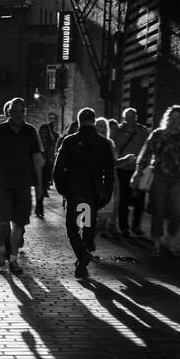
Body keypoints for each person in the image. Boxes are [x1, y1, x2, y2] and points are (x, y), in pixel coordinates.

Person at [0, 97, 43, 275]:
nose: (18, 115)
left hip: (23, 184)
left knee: (19, 223)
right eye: (15, 112)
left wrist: (39, 185)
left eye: (21, 111)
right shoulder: (0, 130)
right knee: (3, 220)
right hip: (3, 182)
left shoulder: (30, 131)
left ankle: (14, 259)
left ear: (24, 112)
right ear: (9, 113)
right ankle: (2, 247)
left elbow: (37, 159)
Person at [53, 107, 114, 277]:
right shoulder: (103, 143)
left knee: (73, 228)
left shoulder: (70, 141)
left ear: (79, 121)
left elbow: (58, 169)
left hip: (75, 192)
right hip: (92, 194)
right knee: (86, 227)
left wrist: (63, 190)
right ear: (93, 121)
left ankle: (82, 256)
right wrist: (106, 194)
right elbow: (109, 173)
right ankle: (82, 260)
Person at [132, 104, 180, 256]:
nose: (175, 121)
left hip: (178, 178)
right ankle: (157, 243)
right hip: (159, 176)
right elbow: (146, 153)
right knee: (157, 210)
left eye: (178, 118)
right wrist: (137, 173)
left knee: (177, 212)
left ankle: (171, 240)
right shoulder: (158, 134)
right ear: (168, 118)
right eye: (172, 117)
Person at [113, 107, 150, 236]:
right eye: (128, 117)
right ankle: (124, 227)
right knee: (123, 199)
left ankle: (136, 226)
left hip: (138, 169)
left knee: (139, 199)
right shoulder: (118, 130)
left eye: (133, 117)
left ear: (136, 117)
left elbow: (148, 147)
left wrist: (144, 162)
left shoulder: (142, 130)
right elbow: (113, 146)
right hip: (123, 169)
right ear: (124, 118)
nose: (131, 119)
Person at [95, 117, 119, 237]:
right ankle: (87, 245)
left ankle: (94, 234)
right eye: (100, 125)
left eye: (104, 126)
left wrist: (124, 160)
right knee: (92, 215)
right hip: (94, 182)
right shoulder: (91, 142)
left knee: (104, 214)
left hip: (107, 182)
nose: (103, 128)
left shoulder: (110, 143)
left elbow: (114, 162)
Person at [38, 112, 60, 204]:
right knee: (40, 182)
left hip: (47, 162)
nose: (44, 133)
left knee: (45, 180)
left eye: (45, 132)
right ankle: (40, 203)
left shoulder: (50, 140)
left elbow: (52, 149)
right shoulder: (37, 140)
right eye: (43, 132)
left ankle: (42, 196)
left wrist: (51, 158)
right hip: (39, 163)